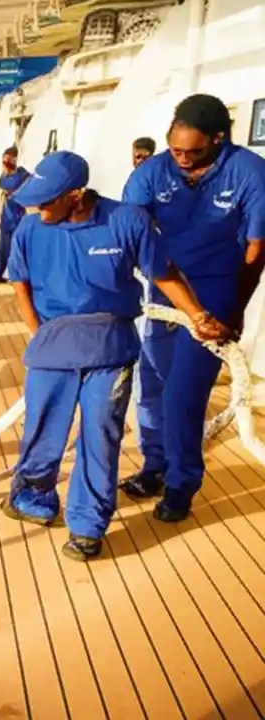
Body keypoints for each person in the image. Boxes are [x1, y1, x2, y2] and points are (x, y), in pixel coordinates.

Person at [0, 150, 232, 560]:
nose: (38, 208)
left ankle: (88, 525)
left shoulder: (126, 221)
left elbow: (163, 273)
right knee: (42, 430)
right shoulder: (30, 229)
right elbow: (19, 282)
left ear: (76, 194)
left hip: (110, 344)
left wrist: (198, 316)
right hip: (53, 345)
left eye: (47, 200)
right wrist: (39, 333)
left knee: (101, 433)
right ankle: (34, 496)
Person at [119, 93, 265, 522]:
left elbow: (257, 250)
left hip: (216, 290)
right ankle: (156, 465)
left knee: (184, 393)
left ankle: (182, 484)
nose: (182, 158)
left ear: (219, 139)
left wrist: (235, 308)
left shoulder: (250, 173)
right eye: (175, 148)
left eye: (194, 151)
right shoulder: (151, 173)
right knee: (153, 382)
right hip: (166, 285)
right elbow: (128, 232)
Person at [0, 146, 31, 283]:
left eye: (8, 160)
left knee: (18, 248)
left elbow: (13, 184)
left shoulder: (23, 175)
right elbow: (4, 184)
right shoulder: (5, 177)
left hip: (19, 217)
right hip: (7, 217)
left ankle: (18, 275)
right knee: (4, 248)